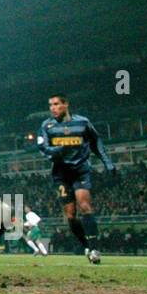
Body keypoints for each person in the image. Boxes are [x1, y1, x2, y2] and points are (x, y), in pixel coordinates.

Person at [35, 93, 114, 264]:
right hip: (61, 174)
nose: (53, 108)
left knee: (85, 205)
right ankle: (86, 245)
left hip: (80, 171)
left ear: (66, 104)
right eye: (50, 105)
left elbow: (96, 142)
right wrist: (57, 151)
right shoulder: (47, 125)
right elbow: (43, 147)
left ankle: (94, 248)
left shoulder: (83, 122)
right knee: (70, 215)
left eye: (56, 104)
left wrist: (107, 162)